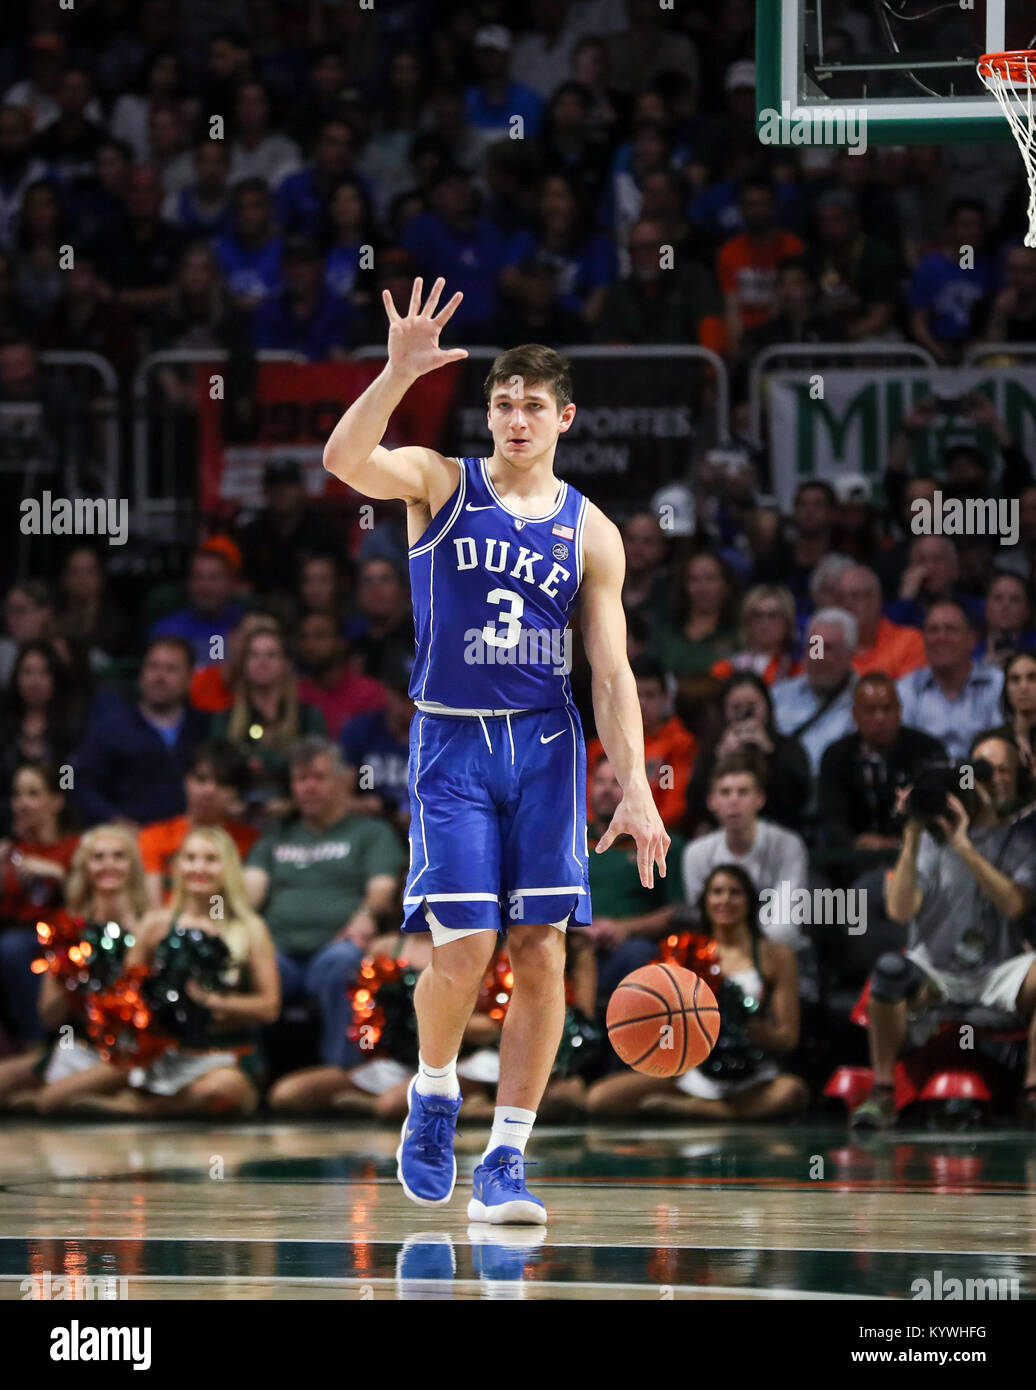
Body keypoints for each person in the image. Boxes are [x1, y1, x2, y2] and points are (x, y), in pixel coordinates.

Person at [322, 281, 668, 1223]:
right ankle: (434, 1091)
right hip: (451, 742)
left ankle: (507, 1158)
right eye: (501, 403)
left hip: (547, 746)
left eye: (531, 406)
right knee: (465, 948)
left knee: (542, 950)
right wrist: (397, 373)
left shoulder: (591, 530)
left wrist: (633, 783)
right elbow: (344, 458)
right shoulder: (440, 480)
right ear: (489, 415)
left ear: (564, 418)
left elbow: (610, 670)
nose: (515, 418)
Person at [850, 735, 1036, 1129]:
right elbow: (900, 911)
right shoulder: (931, 838)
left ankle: (1032, 1093)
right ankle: (883, 1094)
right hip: (936, 969)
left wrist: (965, 846)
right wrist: (913, 833)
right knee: (889, 970)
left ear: (1017, 780)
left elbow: (1016, 905)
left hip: (998, 971)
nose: (992, 779)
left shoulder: (1021, 837)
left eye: (1002, 770)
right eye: (982, 770)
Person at [84, 827, 281, 1118]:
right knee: (56, 1099)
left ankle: (144, 1109)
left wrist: (209, 1001)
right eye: (190, 858)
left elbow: (269, 1007)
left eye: (210, 859)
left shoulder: (251, 928)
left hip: (223, 1056)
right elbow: (124, 997)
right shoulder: (155, 924)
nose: (199, 867)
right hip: (165, 1052)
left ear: (227, 867)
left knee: (224, 1089)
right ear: (178, 867)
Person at [586, 864, 807, 1120]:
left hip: (750, 1075)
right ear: (704, 901)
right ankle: (713, 1108)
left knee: (792, 1092)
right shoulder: (682, 950)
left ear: (749, 900)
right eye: (717, 892)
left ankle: (709, 1112)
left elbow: (788, 1038)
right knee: (600, 1099)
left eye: (734, 892)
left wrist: (747, 1029)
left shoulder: (775, 955)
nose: (725, 899)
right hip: (692, 1070)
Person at [243, 739, 406, 1068]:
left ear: (345, 780)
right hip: (279, 951)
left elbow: (383, 887)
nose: (308, 787)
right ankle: (251, 1070)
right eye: (300, 779)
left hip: (339, 945)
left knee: (343, 962)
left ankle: (343, 1071)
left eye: (318, 777)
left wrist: (365, 915)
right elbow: (249, 889)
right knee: (245, 960)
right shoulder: (277, 836)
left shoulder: (369, 833)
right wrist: (236, 922)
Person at [0, 824, 148, 1113]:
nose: (108, 865)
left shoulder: (151, 927)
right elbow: (48, 1018)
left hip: (136, 1052)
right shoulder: (68, 930)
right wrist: (71, 977)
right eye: (98, 857)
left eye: (119, 856)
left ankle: (59, 1098)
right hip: (79, 1047)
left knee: (50, 1101)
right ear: (85, 867)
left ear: (133, 866)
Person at [817, 673, 946, 882]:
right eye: (870, 711)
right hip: (852, 863)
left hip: (918, 859)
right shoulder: (836, 756)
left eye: (887, 709)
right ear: (855, 714)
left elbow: (936, 812)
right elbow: (832, 818)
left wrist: (892, 843)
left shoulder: (927, 751)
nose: (880, 718)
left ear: (900, 711)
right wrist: (857, 844)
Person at [71, 638, 210, 828]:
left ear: (190, 677)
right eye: (153, 667)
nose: (159, 677)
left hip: (192, 835)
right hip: (129, 839)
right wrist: (114, 820)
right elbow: (78, 784)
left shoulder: (204, 725)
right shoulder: (111, 727)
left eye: (171, 669)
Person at [679, 754, 808, 952]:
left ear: (760, 799)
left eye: (743, 792)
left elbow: (786, 920)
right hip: (720, 953)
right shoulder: (696, 853)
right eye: (725, 792)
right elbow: (703, 920)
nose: (733, 800)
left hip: (777, 953)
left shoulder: (788, 845)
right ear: (711, 801)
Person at [209, 620, 326, 823]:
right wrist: (228, 804)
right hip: (236, 819)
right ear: (243, 664)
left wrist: (292, 804)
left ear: (286, 663)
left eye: (271, 655)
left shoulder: (308, 718)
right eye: (254, 655)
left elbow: (322, 774)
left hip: (298, 819)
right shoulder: (224, 720)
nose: (262, 662)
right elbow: (214, 772)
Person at [0, 761, 80, 1044]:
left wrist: (57, 874)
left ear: (57, 801)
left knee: (13, 947)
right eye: (17, 794)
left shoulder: (76, 847)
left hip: (65, 938)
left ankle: (37, 1046)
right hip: (18, 934)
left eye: (33, 794)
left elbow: (88, 903)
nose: (22, 803)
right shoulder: (10, 852)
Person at [685, 671, 811, 835]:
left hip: (778, 831)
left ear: (767, 707)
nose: (744, 715)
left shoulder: (788, 747)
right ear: (724, 711)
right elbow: (695, 805)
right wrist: (717, 759)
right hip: (723, 833)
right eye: (736, 708)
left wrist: (770, 754)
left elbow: (797, 801)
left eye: (752, 707)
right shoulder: (712, 749)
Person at [137, 740, 258, 906]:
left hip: (221, 923)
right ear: (185, 781)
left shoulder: (250, 842)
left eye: (222, 783)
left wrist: (214, 926)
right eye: (201, 779)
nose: (209, 790)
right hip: (169, 926)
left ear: (236, 792)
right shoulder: (154, 836)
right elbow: (153, 907)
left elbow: (237, 908)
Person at [584, 656, 697, 830]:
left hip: (653, 837)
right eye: (635, 694)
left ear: (665, 698)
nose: (641, 703)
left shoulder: (678, 745)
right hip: (600, 836)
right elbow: (586, 801)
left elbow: (674, 805)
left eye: (650, 695)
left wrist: (635, 832)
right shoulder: (599, 746)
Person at [896, 602, 1004, 763]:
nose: (941, 637)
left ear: (971, 639)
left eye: (950, 629)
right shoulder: (906, 688)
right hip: (927, 781)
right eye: (933, 630)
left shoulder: (997, 683)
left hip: (983, 779)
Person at [771, 608, 859, 779]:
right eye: (814, 646)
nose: (818, 656)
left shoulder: (865, 700)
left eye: (829, 648)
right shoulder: (778, 696)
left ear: (850, 653)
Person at [650, 551, 740, 678]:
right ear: (683, 587)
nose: (702, 587)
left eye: (710, 578)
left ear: (726, 586)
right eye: (694, 579)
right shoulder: (666, 634)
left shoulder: (740, 634)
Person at [836, 565, 926, 680]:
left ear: (877, 600)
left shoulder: (910, 640)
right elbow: (808, 680)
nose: (847, 603)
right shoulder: (821, 639)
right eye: (841, 597)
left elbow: (911, 694)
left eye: (856, 595)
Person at [710, 584, 802, 685]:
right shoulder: (726, 669)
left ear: (788, 621)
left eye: (773, 615)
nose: (764, 623)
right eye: (757, 615)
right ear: (746, 622)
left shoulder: (798, 668)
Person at [981, 650, 1036, 779]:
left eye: (1032, 678)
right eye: (1015, 679)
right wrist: (967, 791)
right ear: (1006, 688)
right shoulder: (988, 740)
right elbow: (965, 770)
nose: (1023, 687)